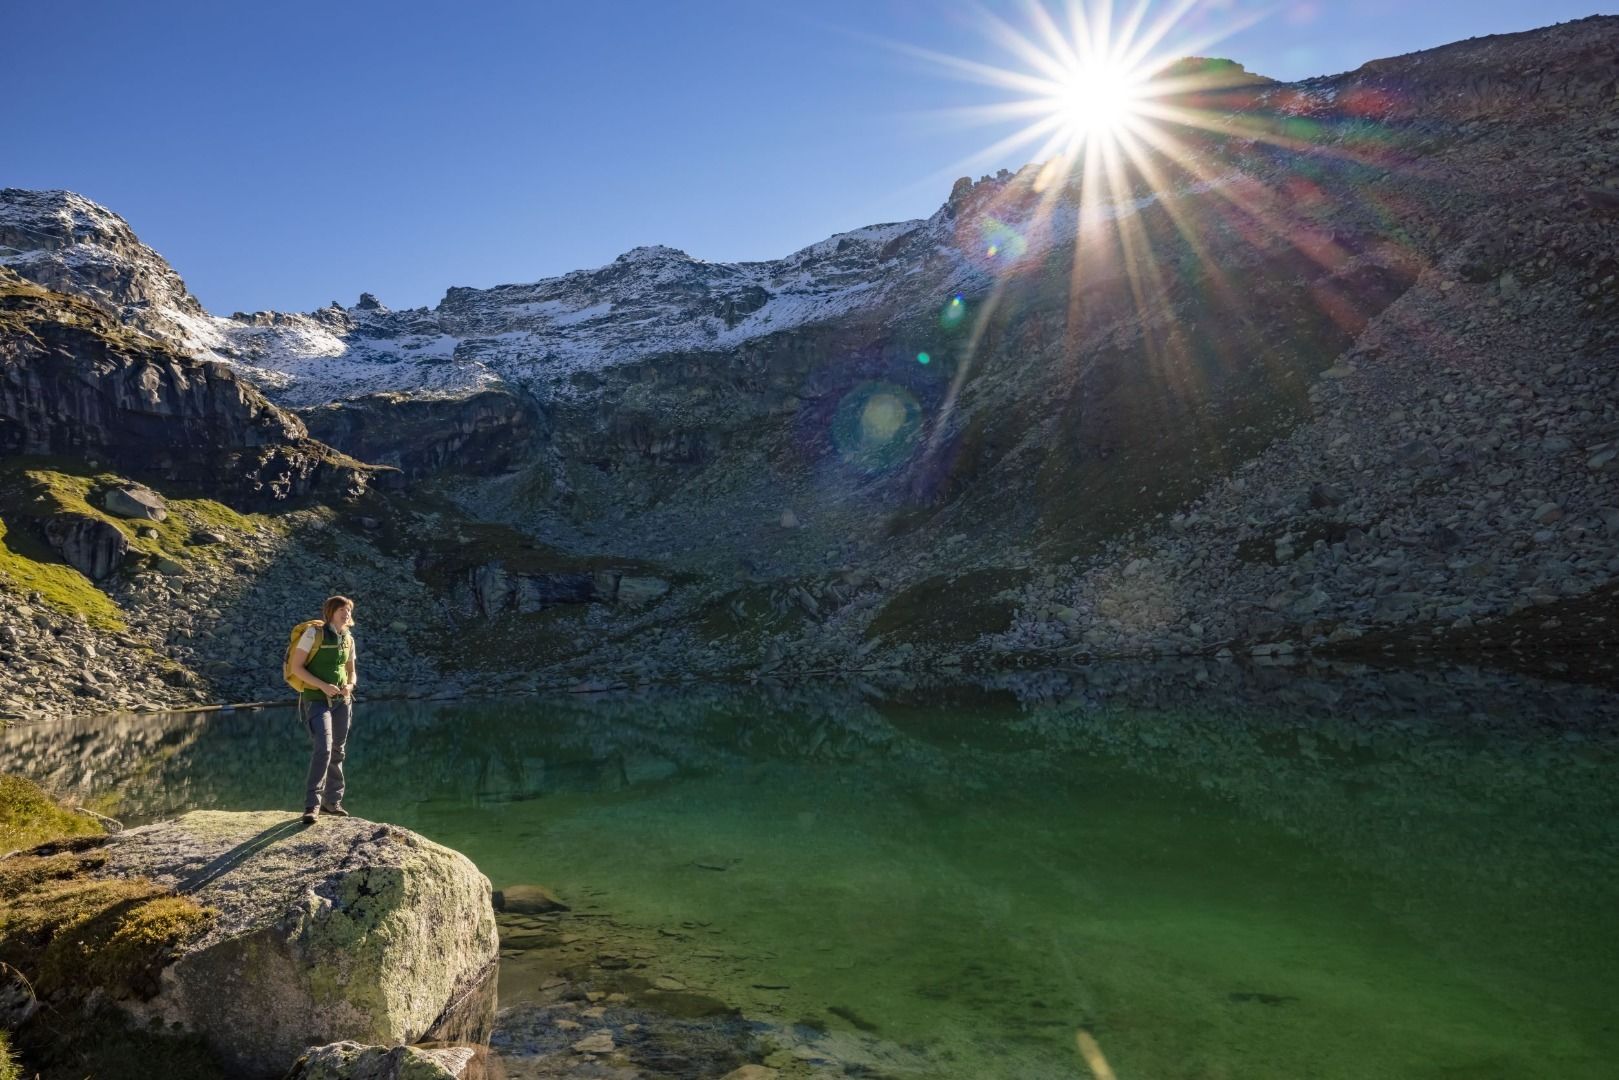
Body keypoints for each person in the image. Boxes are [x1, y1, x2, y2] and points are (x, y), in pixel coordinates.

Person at [288, 595, 358, 825]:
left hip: (341, 702)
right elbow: (297, 668)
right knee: (324, 748)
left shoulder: (348, 638)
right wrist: (323, 686)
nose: (346, 613)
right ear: (330, 612)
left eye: (348, 610)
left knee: (338, 750)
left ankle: (333, 802)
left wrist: (349, 685)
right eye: (341, 609)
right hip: (316, 700)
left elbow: (351, 671)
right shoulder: (313, 635)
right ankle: (312, 806)